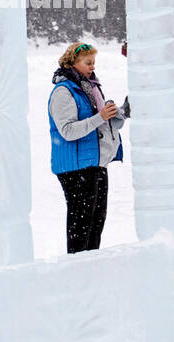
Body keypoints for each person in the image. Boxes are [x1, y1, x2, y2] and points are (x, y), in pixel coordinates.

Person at [48, 41, 129, 254]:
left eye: (94, 62)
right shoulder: (63, 92)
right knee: (81, 226)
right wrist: (99, 117)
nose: (93, 66)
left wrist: (118, 113)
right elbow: (67, 131)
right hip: (75, 168)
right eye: (88, 62)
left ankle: (91, 269)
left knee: (96, 223)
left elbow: (101, 123)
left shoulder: (91, 88)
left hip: (96, 163)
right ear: (73, 62)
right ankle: (75, 271)